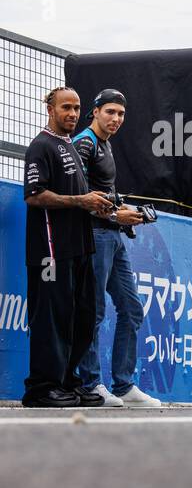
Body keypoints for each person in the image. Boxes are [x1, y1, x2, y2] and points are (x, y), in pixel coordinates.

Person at [21, 87, 115, 408]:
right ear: (49, 108)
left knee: (83, 317)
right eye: (65, 107)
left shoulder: (69, 146)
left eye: (76, 108)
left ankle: (67, 381)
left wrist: (98, 206)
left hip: (79, 248)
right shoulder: (41, 146)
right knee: (52, 319)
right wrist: (80, 199)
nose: (72, 114)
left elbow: (80, 197)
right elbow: (34, 195)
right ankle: (42, 387)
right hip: (51, 250)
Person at [72, 89, 161, 408]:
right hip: (94, 235)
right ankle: (91, 384)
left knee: (132, 308)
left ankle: (123, 385)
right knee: (93, 312)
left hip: (114, 236)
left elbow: (104, 192)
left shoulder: (105, 145)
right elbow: (77, 195)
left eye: (121, 114)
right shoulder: (84, 142)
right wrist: (113, 214)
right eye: (110, 111)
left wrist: (127, 212)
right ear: (95, 111)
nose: (116, 118)